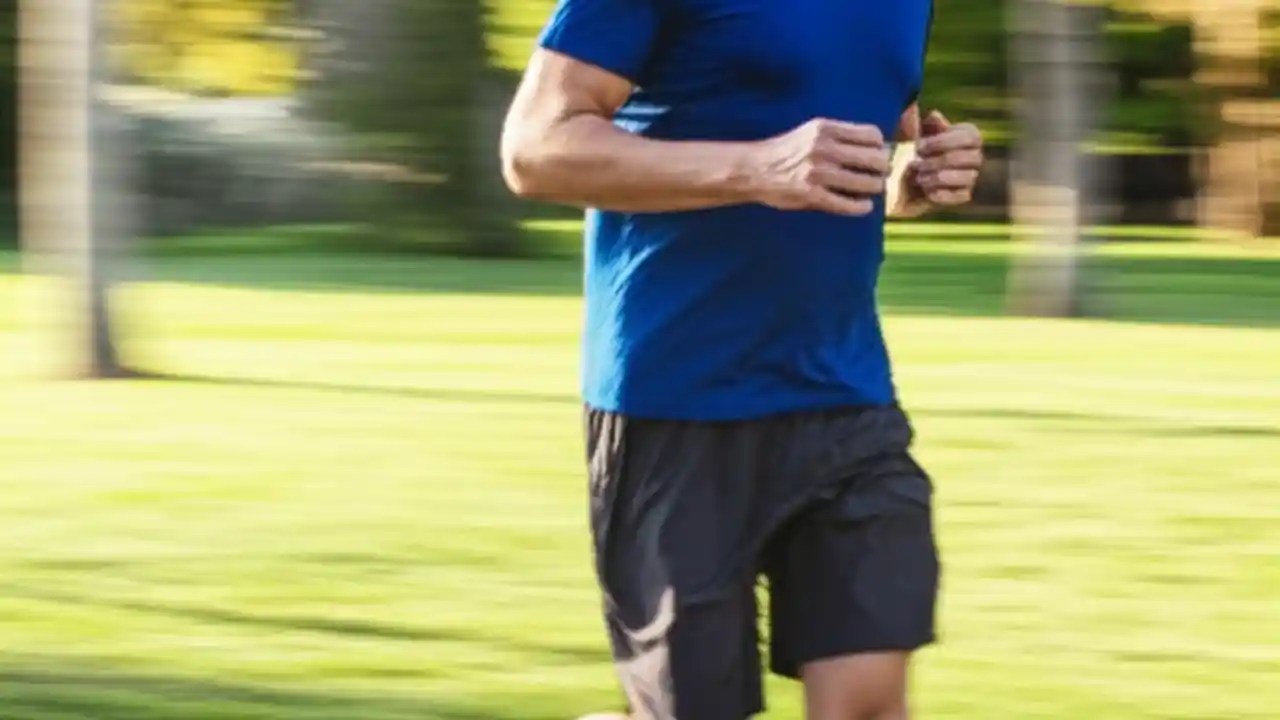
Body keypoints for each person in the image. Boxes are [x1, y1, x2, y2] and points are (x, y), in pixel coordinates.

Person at [500, 0, 983, 717]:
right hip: (676, 400)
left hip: (845, 396)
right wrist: (755, 167)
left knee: (869, 703)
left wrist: (906, 183)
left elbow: (832, 146)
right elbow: (534, 150)